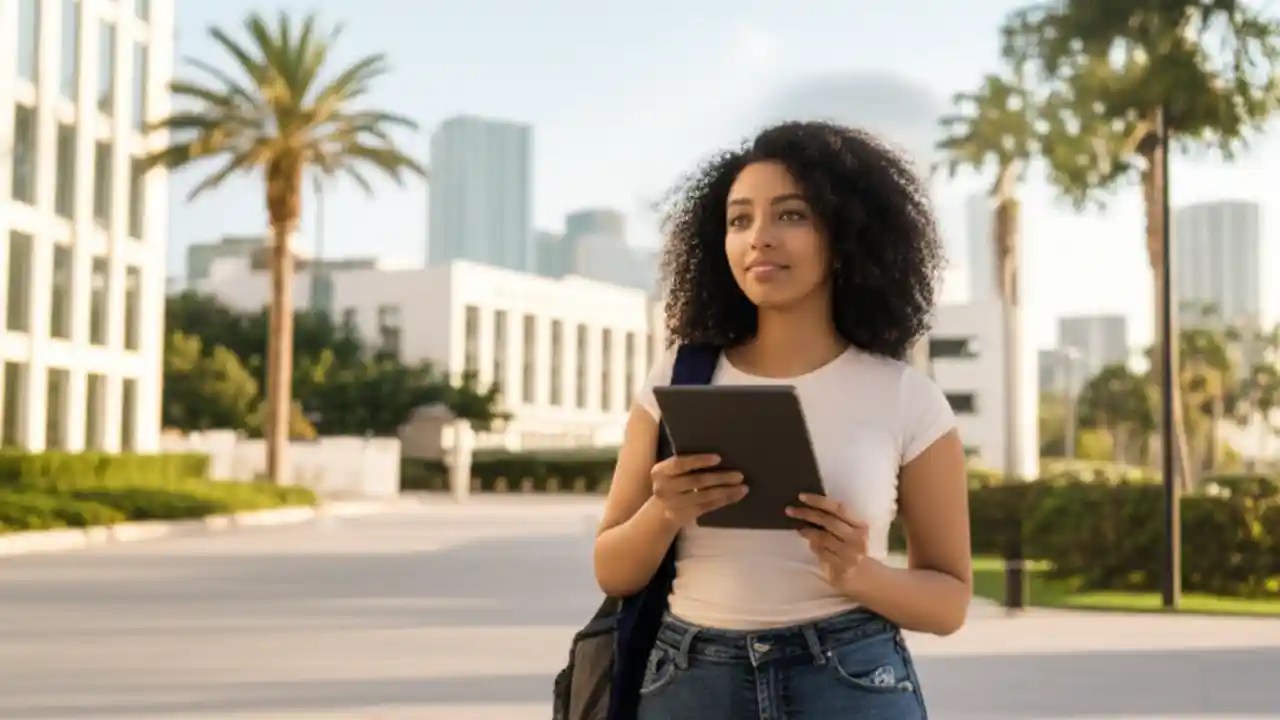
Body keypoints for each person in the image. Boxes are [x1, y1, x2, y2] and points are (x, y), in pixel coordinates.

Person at [592, 121, 971, 719]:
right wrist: (664, 511)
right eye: (739, 219)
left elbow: (949, 603)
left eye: (790, 215)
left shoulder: (906, 398)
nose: (759, 238)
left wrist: (859, 573)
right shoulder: (678, 375)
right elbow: (612, 570)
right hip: (690, 684)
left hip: (848, 679)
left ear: (845, 236)